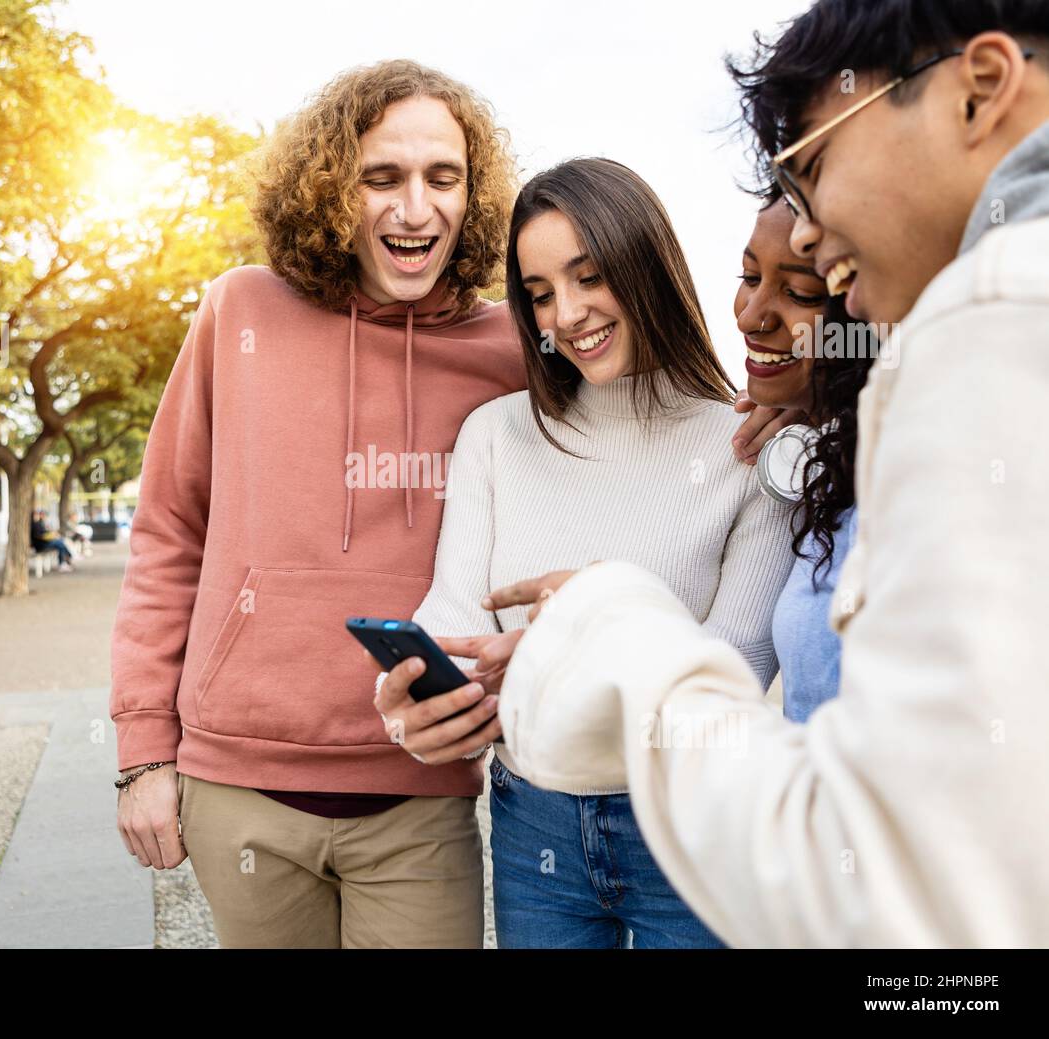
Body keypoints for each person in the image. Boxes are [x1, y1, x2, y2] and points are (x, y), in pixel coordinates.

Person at [482, 0, 1049, 946]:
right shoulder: (844, 413)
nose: (812, 232)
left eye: (814, 164)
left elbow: (918, 901)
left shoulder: (994, 322)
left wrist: (615, 627)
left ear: (980, 89)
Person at [108, 60, 528, 948]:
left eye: (441, 178)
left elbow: (642, 415)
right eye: (383, 177)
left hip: (420, 800)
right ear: (334, 188)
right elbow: (168, 533)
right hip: (239, 796)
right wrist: (143, 752)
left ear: (471, 193)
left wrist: (772, 402)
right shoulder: (239, 310)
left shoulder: (512, 348)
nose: (415, 209)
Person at [371, 158, 795, 948]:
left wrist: (574, 643)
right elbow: (457, 616)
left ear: (645, 265)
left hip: (689, 818)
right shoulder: (495, 435)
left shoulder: (744, 444)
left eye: (589, 276)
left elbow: (735, 670)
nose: (565, 314)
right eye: (538, 293)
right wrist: (415, 699)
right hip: (534, 821)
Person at [734, 192, 873, 721]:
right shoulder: (821, 453)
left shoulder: (904, 490)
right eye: (748, 278)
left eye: (799, 292)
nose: (751, 317)